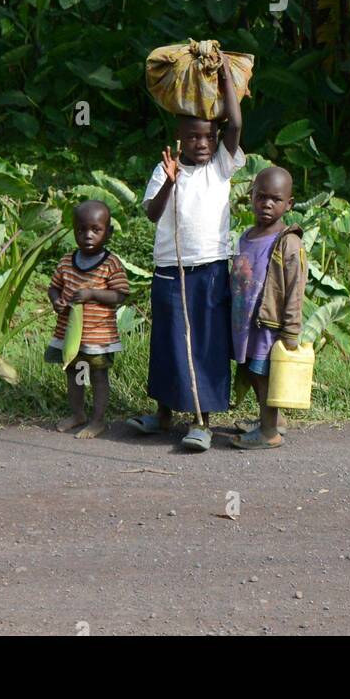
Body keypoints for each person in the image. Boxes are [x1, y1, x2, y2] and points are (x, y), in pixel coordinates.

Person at [128, 53, 244, 452]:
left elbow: (237, 123)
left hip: (210, 270)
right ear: (180, 138)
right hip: (169, 270)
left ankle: (202, 421)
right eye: (194, 137)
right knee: (169, 341)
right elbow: (152, 213)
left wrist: (226, 73)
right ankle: (162, 414)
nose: (202, 143)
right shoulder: (167, 168)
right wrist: (170, 182)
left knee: (207, 343)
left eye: (208, 137)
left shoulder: (221, 167)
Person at [230, 166, 305, 450]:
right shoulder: (246, 236)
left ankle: (269, 431)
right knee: (251, 371)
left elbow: (295, 289)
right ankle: (275, 420)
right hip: (244, 323)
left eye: (275, 199)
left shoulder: (289, 242)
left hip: (268, 325)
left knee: (264, 376)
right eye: (261, 197)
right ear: (251, 197)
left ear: (289, 204)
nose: (267, 204)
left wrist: (291, 330)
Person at [46, 199, 128, 439]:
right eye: (81, 230)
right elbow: (54, 287)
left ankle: (97, 420)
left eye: (96, 229)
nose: (88, 235)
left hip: (98, 336)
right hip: (70, 336)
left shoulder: (110, 264)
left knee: (98, 376)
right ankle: (78, 414)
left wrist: (93, 294)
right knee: (75, 373)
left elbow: (120, 295)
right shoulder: (66, 261)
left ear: (108, 232)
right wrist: (56, 300)